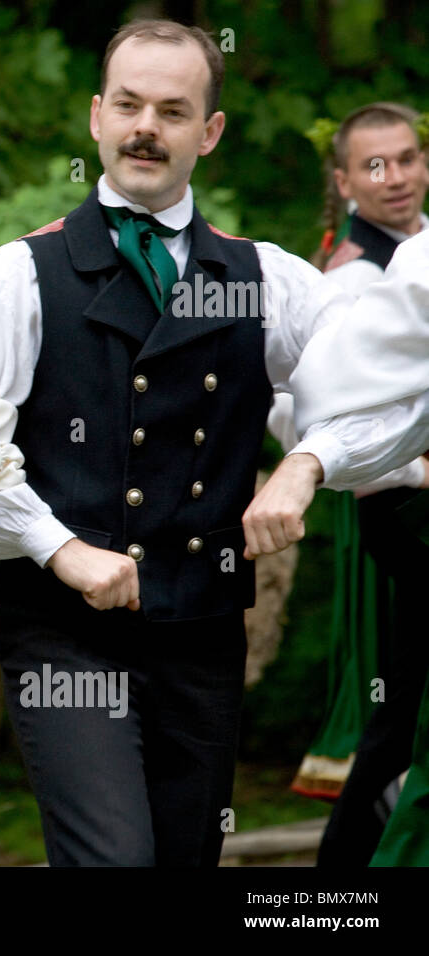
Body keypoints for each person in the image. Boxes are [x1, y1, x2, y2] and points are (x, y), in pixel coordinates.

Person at [0, 19, 405, 866]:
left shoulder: (263, 280)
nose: (145, 127)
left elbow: (380, 384)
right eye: (128, 105)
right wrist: (57, 548)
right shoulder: (19, 275)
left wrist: (307, 466)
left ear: (208, 134)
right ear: (97, 117)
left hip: (203, 627)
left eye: (173, 111)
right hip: (64, 631)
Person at [274, 103, 429, 866]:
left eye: (406, 158)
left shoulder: (418, 250)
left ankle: (342, 874)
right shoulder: (350, 277)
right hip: (404, 510)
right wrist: (415, 465)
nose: (394, 176)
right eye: (374, 165)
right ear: (344, 180)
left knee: (403, 706)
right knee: (403, 707)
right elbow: (298, 408)